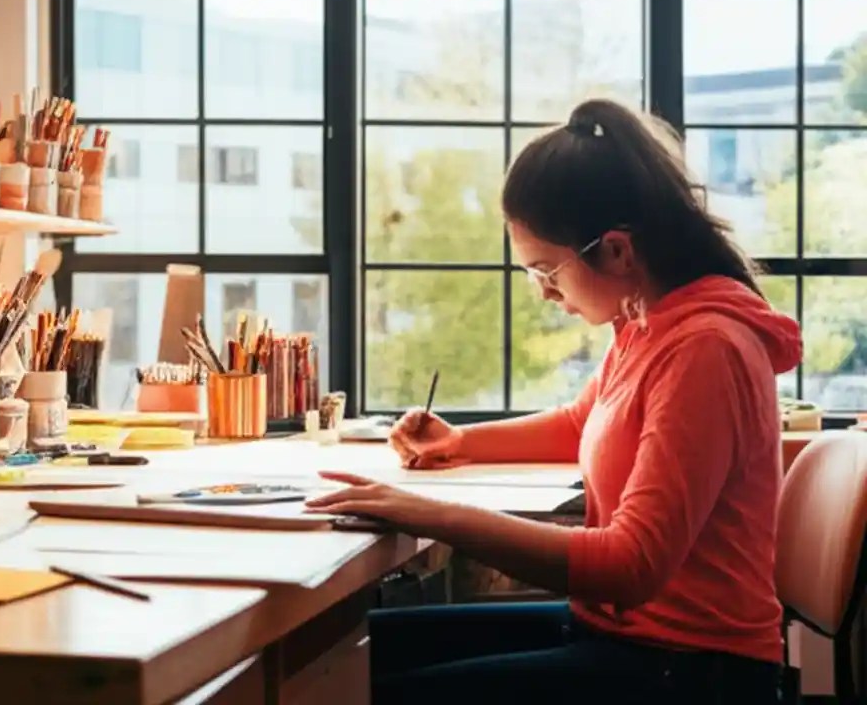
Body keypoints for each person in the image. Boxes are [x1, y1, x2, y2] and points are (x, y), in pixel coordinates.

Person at [305, 98, 802, 704]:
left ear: (618, 250)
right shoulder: (647, 321)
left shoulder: (705, 349)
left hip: (691, 671)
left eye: (548, 272)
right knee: (332, 657)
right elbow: (582, 423)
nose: (542, 293)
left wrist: (428, 513)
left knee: (347, 687)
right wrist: (460, 443)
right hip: (625, 638)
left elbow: (631, 565)